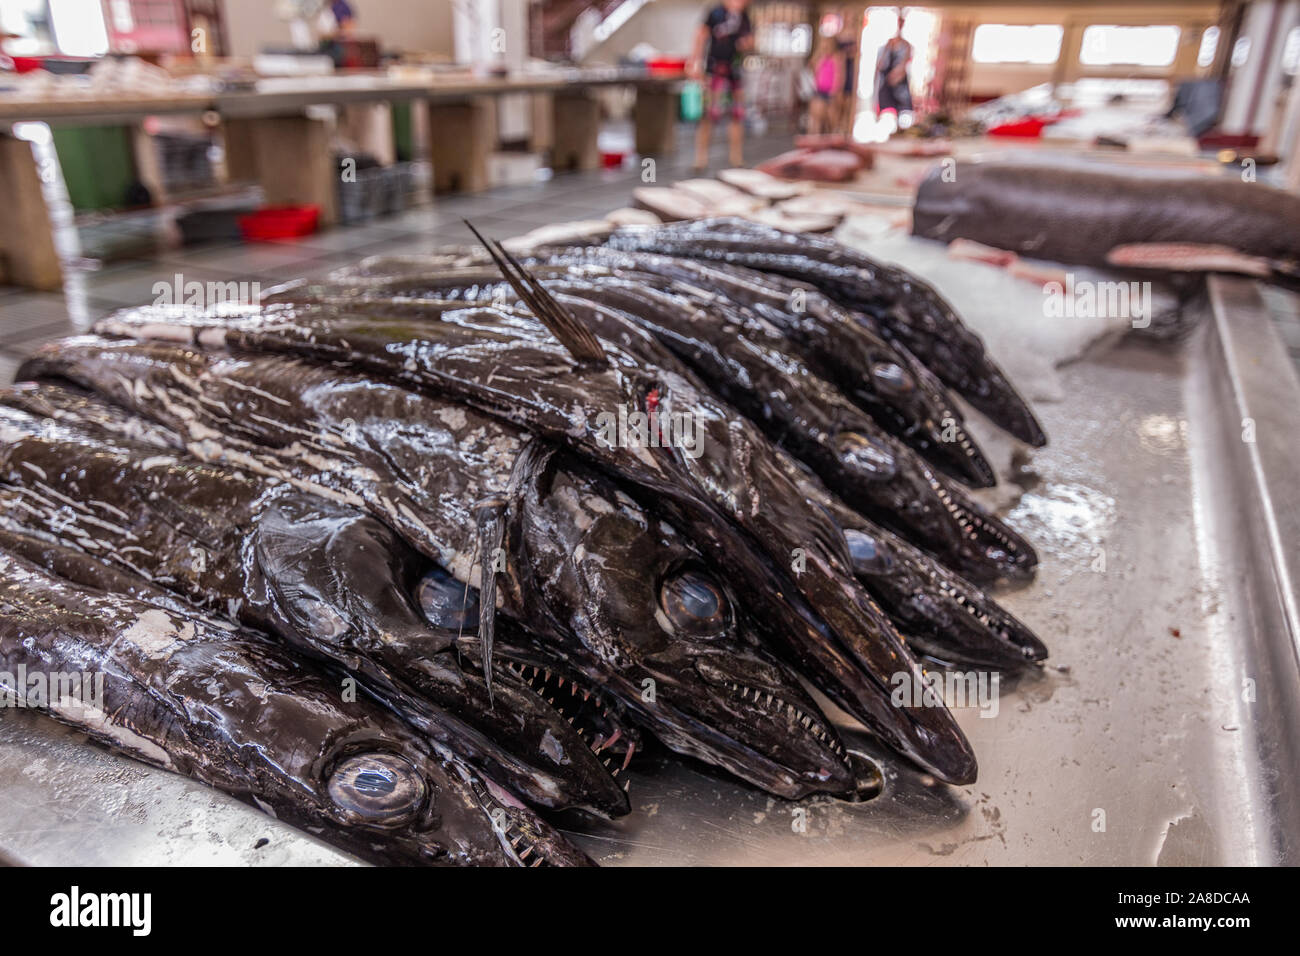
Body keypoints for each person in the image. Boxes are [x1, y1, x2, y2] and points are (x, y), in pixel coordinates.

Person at [689, 0, 754, 171]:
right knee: (708, 115)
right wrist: (695, 62)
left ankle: (736, 159)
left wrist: (746, 44)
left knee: (737, 115)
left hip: (735, 73)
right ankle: (700, 159)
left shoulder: (744, 16)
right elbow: (700, 35)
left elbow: (750, 41)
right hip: (715, 72)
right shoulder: (715, 13)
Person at [876, 20, 913, 126]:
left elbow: (905, 62)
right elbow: (882, 61)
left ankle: (899, 125)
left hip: (898, 77)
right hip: (888, 75)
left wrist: (896, 74)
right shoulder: (889, 43)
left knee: (901, 102)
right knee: (885, 100)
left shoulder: (906, 45)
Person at [806, 35, 841, 135]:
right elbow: (813, 69)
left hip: (830, 92)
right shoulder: (821, 58)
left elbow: (838, 75)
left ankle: (831, 134)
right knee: (816, 115)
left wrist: (834, 90)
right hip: (819, 89)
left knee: (830, 117)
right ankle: (813, 135)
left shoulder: (835, 58)